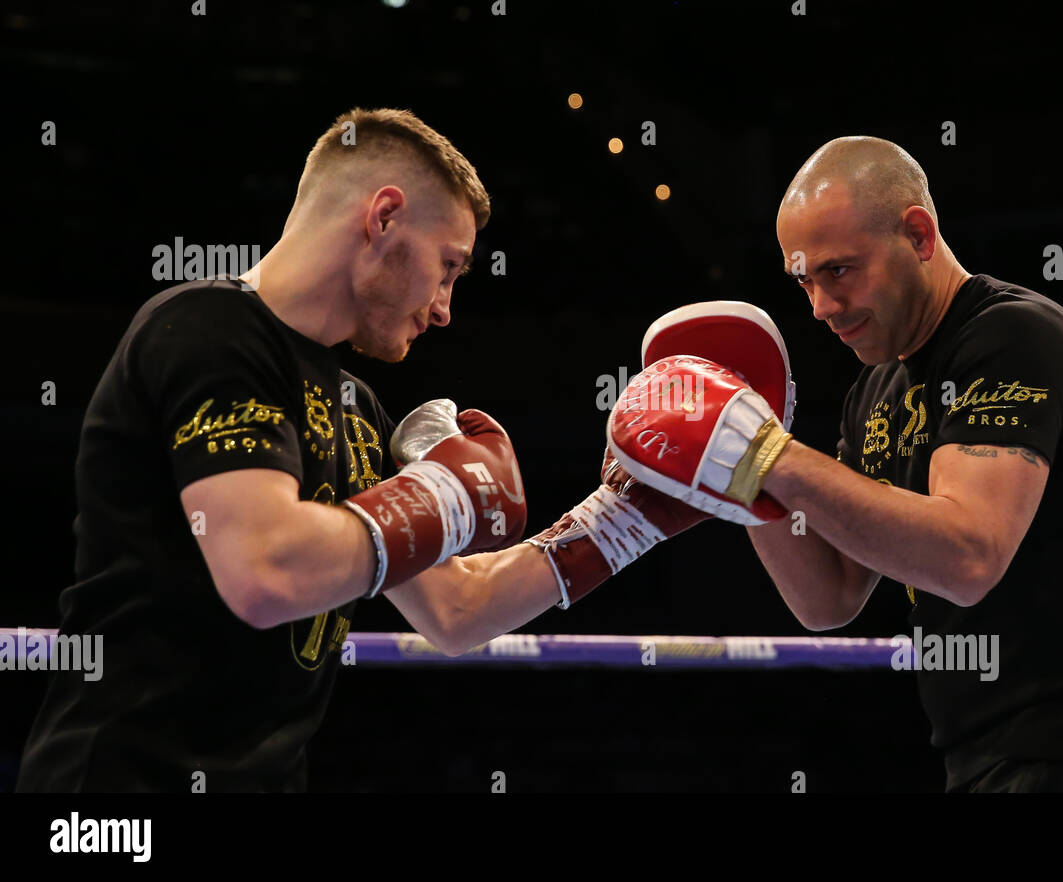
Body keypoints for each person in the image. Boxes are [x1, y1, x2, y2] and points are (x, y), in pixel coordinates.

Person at [18, 107, 702, 793]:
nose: (444, 308)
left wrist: (627, 517)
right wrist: (446, 496)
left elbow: (456, 612)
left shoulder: (357, 409)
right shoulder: (206, 332)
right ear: (383, 218)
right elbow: (264, 573)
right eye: (448, 267)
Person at [608, 136, 1063, 793]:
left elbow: (967, 557)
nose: (820, 307)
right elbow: (829, 597)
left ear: (919, 233)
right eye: (804, 281)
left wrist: (769, 451)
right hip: (976, 760)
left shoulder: (1014, 340)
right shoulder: (875, 392)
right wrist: (738, 480)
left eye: (839, 270)